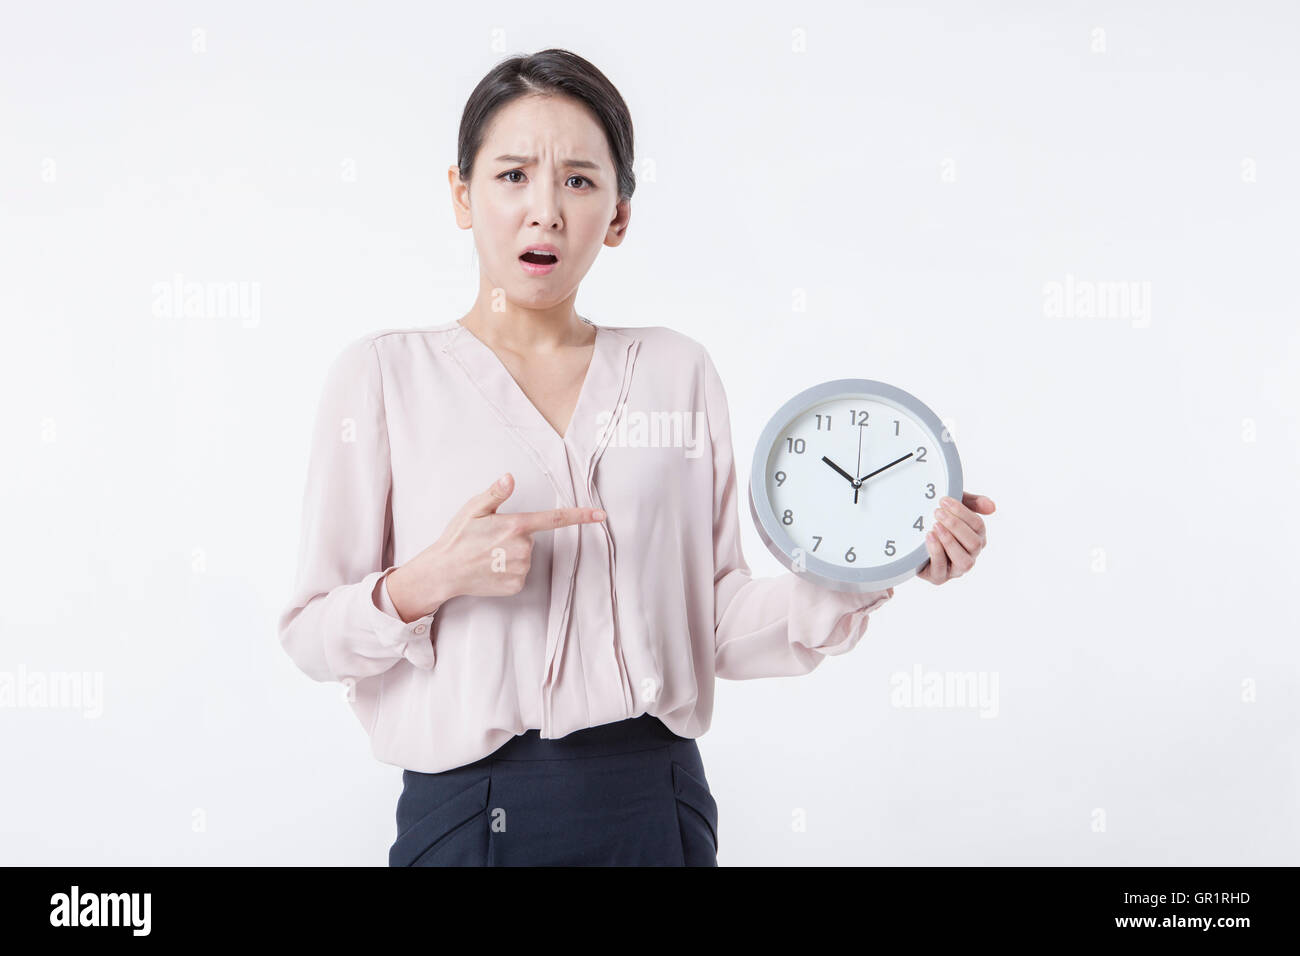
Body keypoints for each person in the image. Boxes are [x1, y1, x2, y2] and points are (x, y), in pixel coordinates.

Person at [276, 48, 996, 867]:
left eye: (579, 181)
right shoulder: (381, 376)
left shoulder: (675, 369)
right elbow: (309, 636)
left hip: (655, 800)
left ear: (618, 215)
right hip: (468, 812)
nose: (544, 210)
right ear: (461, 194)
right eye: (512, 175)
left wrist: (883, 563)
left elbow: (716, 618)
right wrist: (430, 578)